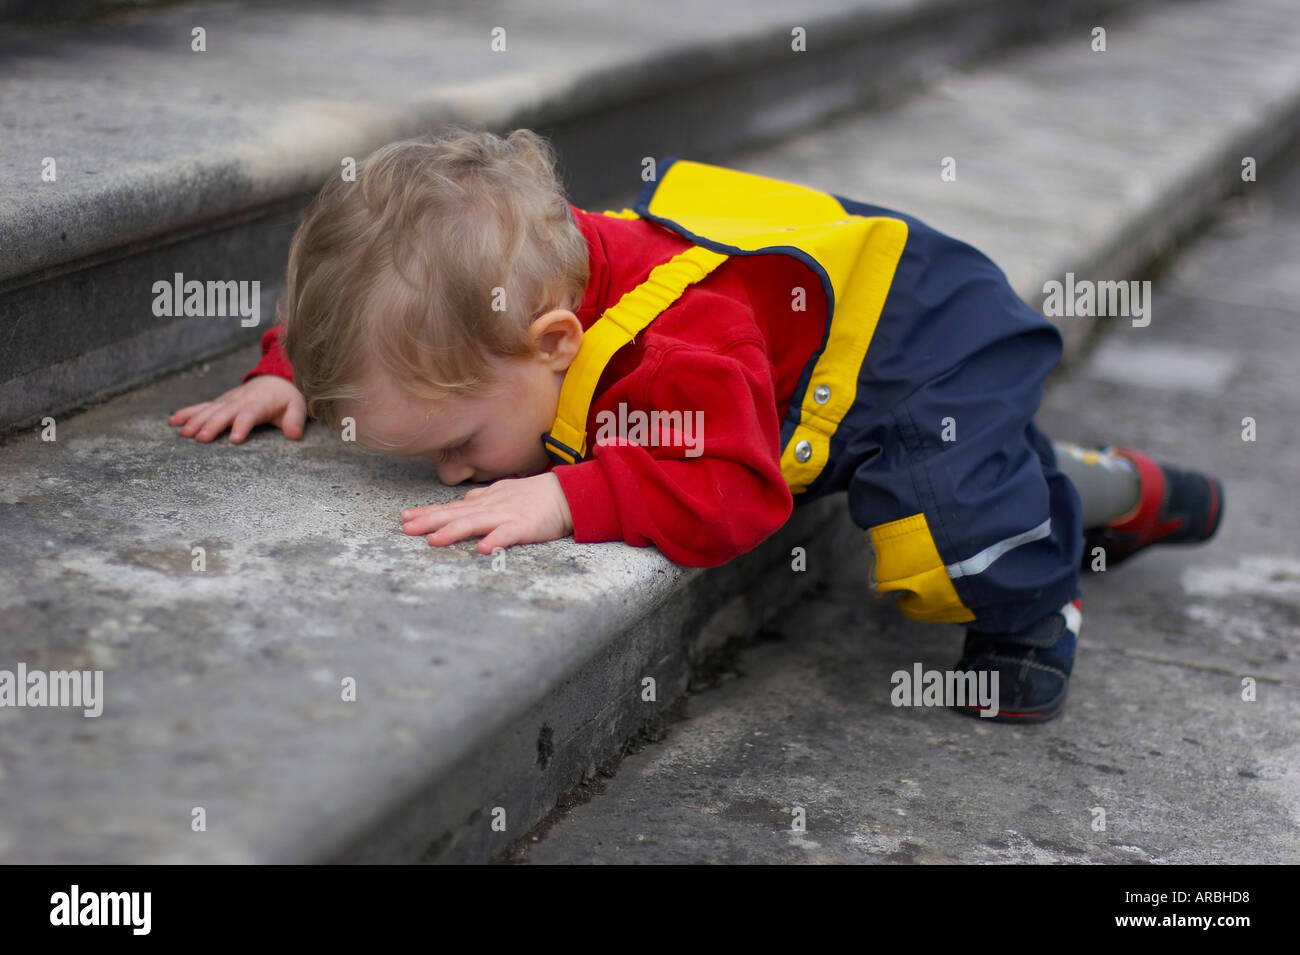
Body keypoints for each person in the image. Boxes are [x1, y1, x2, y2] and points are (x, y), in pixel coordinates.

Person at [169, 126, 1224, 723]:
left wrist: (570, 490)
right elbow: (382, 301)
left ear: (551, 343)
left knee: (952, 546)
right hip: (837, 335)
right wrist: (294, 373)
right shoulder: (512, 283)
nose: (450, 474)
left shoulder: (682, 347)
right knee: (1000, 473)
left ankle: (1042, 597)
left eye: (458, 443)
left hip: (920, 353)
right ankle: (1107, 487)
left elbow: (735, 490)